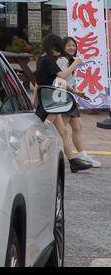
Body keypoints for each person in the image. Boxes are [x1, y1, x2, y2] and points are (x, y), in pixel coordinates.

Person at [35, 34, 93, 172]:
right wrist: (75, 63)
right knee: (46, 133)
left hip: (49, 100)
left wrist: (74, 91)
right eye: (58, 48)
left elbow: (52, 81)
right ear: (52, 47)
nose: (59, 52)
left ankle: (73, 162)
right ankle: (41, 160)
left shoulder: (42, 60)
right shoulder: (47, 60)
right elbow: (63, 75)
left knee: (63, 132)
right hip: (50, 102)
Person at [58, 36, 101, 168]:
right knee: (62, 131)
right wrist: (76, 63)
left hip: (71, 97)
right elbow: (61, 77)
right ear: (63, 47)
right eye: (68, 45)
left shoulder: (70, 60)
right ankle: (68, 157)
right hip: (63, 97)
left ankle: (81, 154)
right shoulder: (63, 60)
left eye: (73, 45)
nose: (72, 48)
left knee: (77, 127)